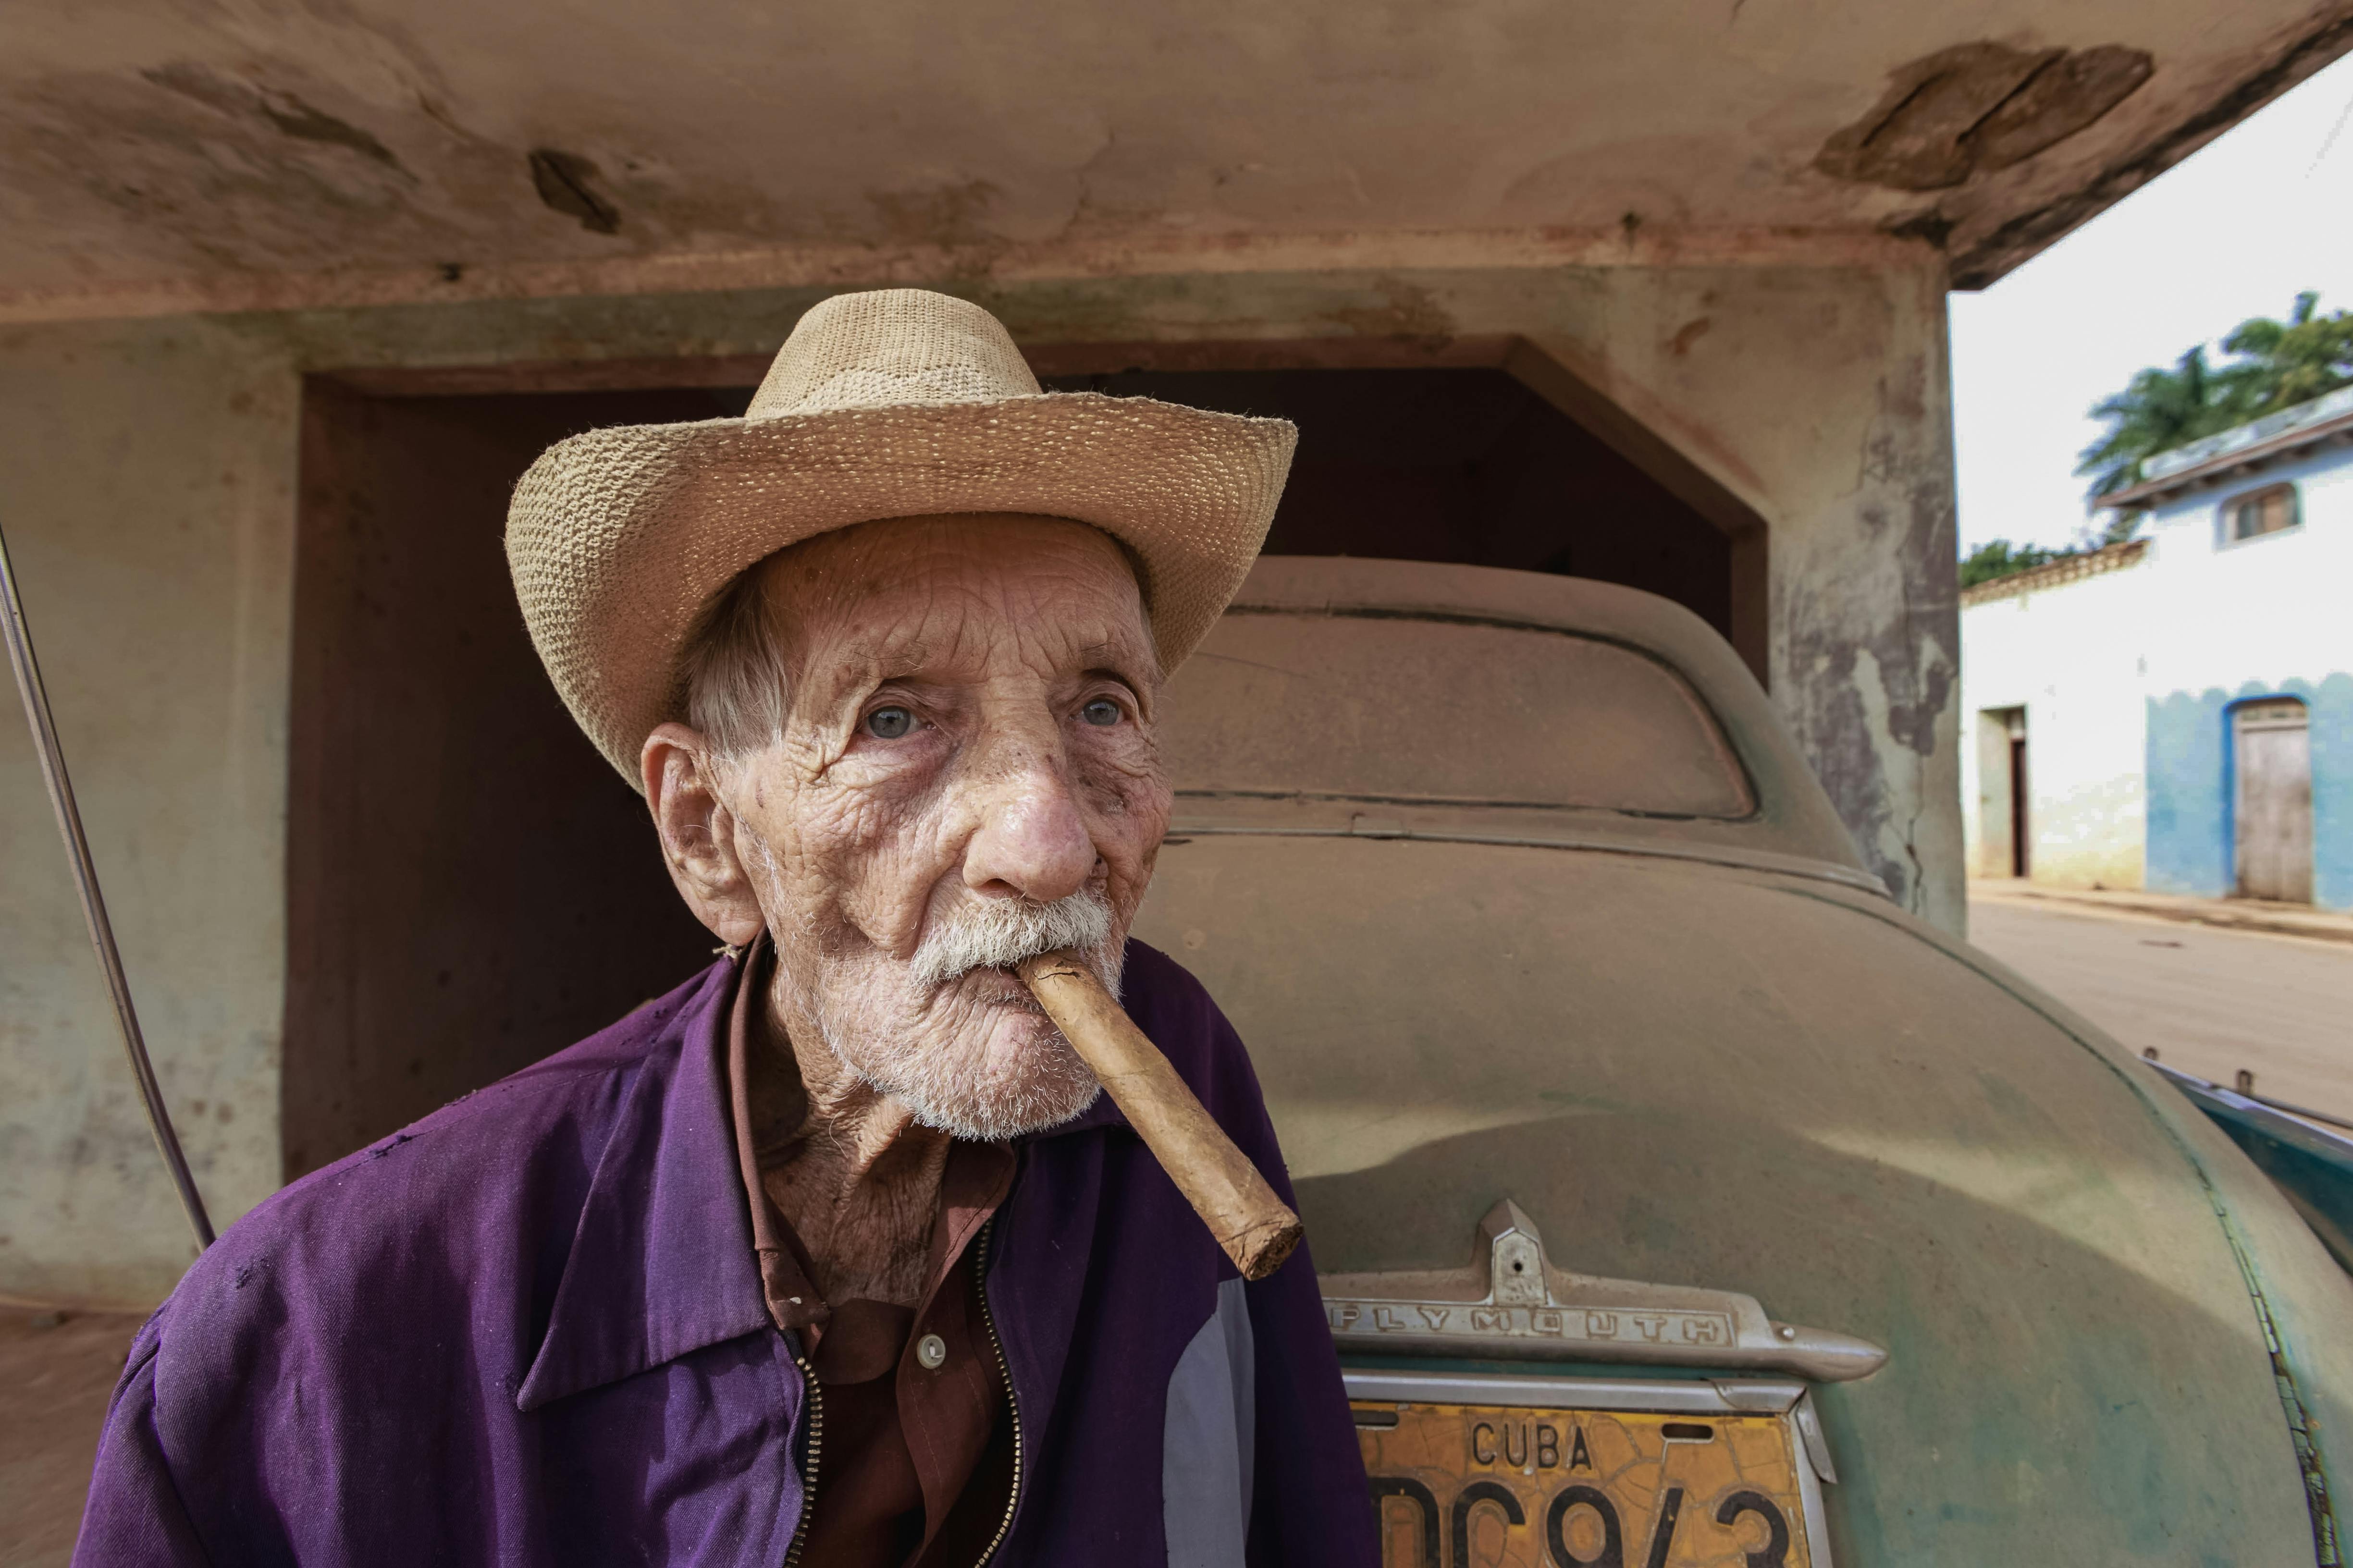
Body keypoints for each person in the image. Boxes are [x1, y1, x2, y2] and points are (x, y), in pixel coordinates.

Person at [73, 290, 1375, 1565]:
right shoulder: (313, 1331)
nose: (1051, 847)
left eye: (1100, 707)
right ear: (705, 830)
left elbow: (1298, 1515)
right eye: (893, 719)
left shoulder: (1174, 1061)